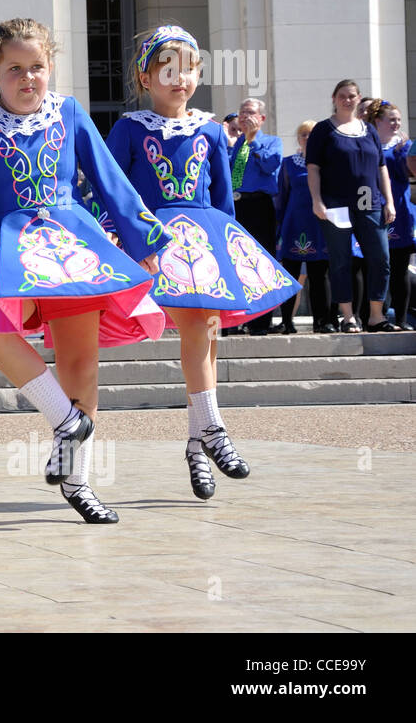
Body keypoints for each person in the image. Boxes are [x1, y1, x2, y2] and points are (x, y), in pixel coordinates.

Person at [0, 18, 169, 525]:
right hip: (3, 246)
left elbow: (110, 180)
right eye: (15, 70)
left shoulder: (70, 113)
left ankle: (78, 481)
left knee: (82, 363)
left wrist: (143, 240)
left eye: (37, 67)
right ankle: (65, 418)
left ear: (51, 67)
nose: (28, 78)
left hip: (73, 245)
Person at [107, 25, 297, 502]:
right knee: (195, 328)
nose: (180, 79)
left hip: (209, 239)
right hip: (158, 240)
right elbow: (113, 190)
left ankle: (196, 443)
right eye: (167, 70)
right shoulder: (129, 128)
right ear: (145, 77)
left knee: (209, 337)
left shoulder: (213, 129)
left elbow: (222, 197)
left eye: (189, 70)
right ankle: (213, 428)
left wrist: (232, 251)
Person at [306, 80, 397, 332]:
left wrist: (389, 201)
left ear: (359, 99)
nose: (348, 100)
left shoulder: (368, 130)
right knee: (341, 260)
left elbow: (382, 168)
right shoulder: (323, 130)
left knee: (380, 257)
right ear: (334, 98)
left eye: (353, 96)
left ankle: (376, 316)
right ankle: (347, 317)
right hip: (336, 203)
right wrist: (317, 200)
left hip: (370, 202)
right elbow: (313, 168)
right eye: (343, 96)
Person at [228, 98, 283, 334]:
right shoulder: (235, 144)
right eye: (242, 113)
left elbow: (272, 165)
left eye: (250, 113)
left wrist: (253, 142)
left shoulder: (271, 142)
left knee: (261, 262)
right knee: (236, 261)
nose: (245, 117)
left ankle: (261, 320)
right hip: (236, 206)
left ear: (261, 118)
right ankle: (237, 318)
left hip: (259, 205)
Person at [276, 120, 334, 333]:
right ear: (298, 139)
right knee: (290, 276)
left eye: (312, 134)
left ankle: (323, 321)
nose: (308, 138)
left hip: (320, 224)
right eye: (304, 134)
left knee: (320, 276)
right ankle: (287, 321)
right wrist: (279, 227)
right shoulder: (288, 163)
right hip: (294, 224)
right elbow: (281, 196)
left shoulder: (328, 164)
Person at [366, 100, 414, 329]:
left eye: (398, 119)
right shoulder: (368, 143)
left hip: (400, 211)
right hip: (372, 208)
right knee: (376, 266)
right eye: (391, 119)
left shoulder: (404, 146)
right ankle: (377, 316)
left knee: (398, 267)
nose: (396, 123)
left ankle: (402, 319)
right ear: (378, 121)